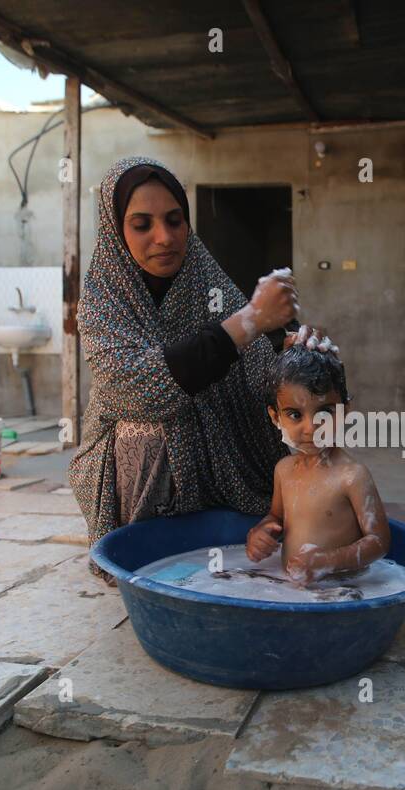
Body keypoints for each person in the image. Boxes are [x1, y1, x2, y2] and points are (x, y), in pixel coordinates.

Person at [69, 156, 338, 584]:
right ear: (116, 230)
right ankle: (144, 543)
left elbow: (260, 382)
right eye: (142, 225)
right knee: (147, 426)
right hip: (142, 457)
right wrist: (247, 321)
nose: (165, 237)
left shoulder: (205, 280)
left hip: (223, 458)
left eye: (175, 220)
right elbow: (139, 388)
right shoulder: (104, 301)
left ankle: (223, 523)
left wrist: (292, 358)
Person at [245, 346, 390, 585]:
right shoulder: (284, 470)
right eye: (294, 415)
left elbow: (379, 541)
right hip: (290, 586)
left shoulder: (352, 476)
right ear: (275, 417)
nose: (311, 427)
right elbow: (276, 518)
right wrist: (260, 533)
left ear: (345, 411)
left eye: (324, 413)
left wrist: (327, 561)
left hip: (342, 589)